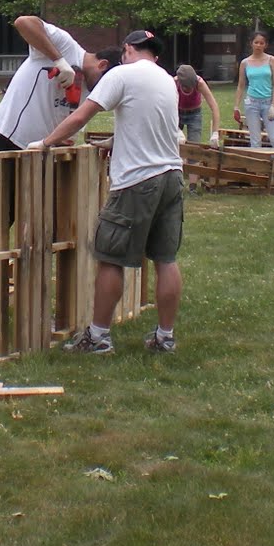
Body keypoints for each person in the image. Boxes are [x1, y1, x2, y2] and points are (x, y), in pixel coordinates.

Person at [35, 30, 185, 355]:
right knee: (165, 259)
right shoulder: (165, 80)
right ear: (154, 54)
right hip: (172, 176)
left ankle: (98, 337)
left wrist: (45, 143)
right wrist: (113, 144)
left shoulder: (122, 74)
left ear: (128, 49)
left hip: (137, 182)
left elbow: (82, 114)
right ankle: (165, 337)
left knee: (110, 257)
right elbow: (151, 127)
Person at [0, 15, 112, 152]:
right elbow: (23, 22)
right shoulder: (66, 46)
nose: (102, 89)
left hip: (41, 150)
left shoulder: (91, 91)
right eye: (105, 82)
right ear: (102, 65)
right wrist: (59, 60)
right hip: (9, 137)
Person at [232, 32, 274, 149]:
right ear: (251, 44)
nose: (258, 45)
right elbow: (241, 85)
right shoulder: (245, 63)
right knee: (255, 140)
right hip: (252, 103)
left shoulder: (271, 60)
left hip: (267, 103)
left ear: (265, 45)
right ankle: (258, 165)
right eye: (256, 42)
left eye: (261, 43)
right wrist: (236, 106)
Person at [174, 64, 221, 145]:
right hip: (177, 113)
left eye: (191, 87)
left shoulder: (200, 83)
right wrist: (177, 129)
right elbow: (167, 108)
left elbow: (214, 107)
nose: (190, 89)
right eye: (187, 88)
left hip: (194, 115)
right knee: (173, 145)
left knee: (194, 146)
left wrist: (215, 133)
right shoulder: (174, 83)